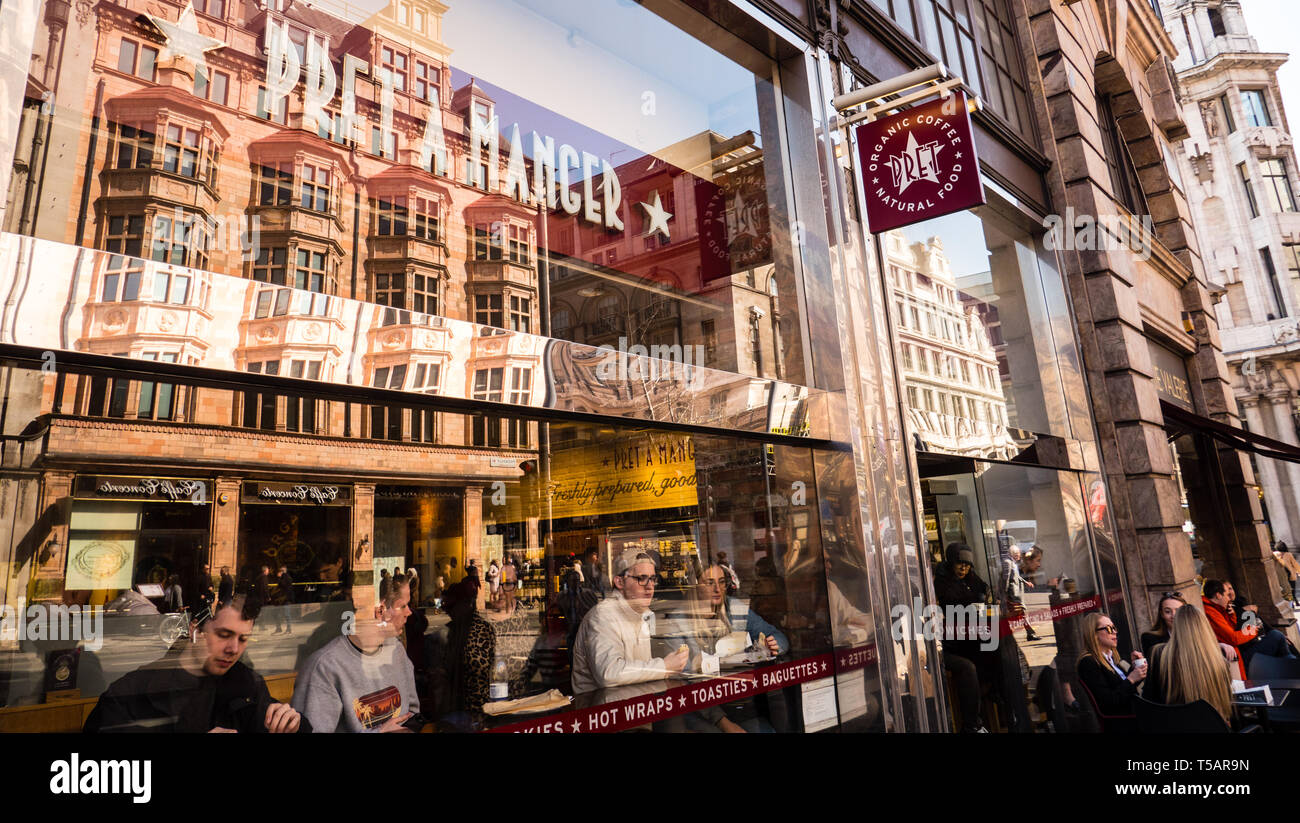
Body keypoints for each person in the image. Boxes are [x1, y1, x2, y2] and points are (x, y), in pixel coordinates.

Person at [85, 596, 307, 733]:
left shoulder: (246, 682)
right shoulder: (131, 692)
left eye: (243, 639)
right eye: (223, 635)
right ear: (195, 630)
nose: (234, 649)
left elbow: (272, 720)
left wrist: (291, 724)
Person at [292, 573, 420, 732]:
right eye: (402, 606)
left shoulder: (397, 650)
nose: (409, 612)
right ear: (380, 611)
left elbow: (412, 715)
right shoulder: (324, 667)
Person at [570, 549, 689, 693]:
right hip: (601, 710)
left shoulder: (644, 614)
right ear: (619, 582)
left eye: (652, 578)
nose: (650, 586)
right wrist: (664, 666)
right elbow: (609, 674)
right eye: (641, 578)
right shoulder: (603, 615)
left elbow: (642, 670)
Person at [1142, 605, 1234, 724]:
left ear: (1177, 626)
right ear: (1205, 627)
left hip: (1174, 726)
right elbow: (1227, 701)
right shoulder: (1218, 659)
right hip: (1214, 726)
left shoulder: (1158, 654)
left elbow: (1149, 700)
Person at [434, 579, 495, 728]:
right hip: (462, 712)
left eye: (452, 607)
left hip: (471, 713)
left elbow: (478, 677)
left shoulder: (479, 631)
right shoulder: (451, 631)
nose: (449, 612)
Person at [1202, 579, 1292, 678]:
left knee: (1279, 639)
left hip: (1241, 651)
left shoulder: (1219, 608)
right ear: (1218, 595)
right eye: (1227, 594)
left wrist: (1231, 615)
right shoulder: (1211, 611)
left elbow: (1230, 629)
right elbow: (1234, 638)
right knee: (1277, 636)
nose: (1229, 598)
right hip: (1238, 656)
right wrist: (1253, 630)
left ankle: (1291, 666)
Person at [1076, 611, 1145, 727]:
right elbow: (1108, 702)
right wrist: (1131, 679)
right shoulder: (1088, 662)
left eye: (1114, 627)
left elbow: (1122, 688)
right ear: (1094, 634)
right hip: (1124, 722)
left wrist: (1135, 670)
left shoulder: (1111, 658)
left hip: (1134, 713)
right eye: (1108, 628)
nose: (1114, 632)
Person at [274, 565, 295, 635]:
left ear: (283, 571)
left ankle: (289, 629)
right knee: (281, 614)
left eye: (281, 571)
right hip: (283, 598)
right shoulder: (284, 577)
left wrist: (279, 578)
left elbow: (283, 586)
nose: (280, 572)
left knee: (286, 614)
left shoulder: (287, 578)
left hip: (286, 599)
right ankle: (280, 628)